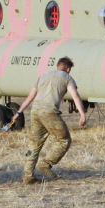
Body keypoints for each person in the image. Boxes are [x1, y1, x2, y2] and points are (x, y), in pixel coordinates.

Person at [13, 56, 87, 185]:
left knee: (34, 145)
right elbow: (75, 96)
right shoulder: (67, 78)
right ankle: (45, 165)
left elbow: (31, 96)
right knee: (64, 140)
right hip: (49, 112)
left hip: (35, 112)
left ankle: (28, 176)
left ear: (58, 65)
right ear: (68, 69)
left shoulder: (43, 76)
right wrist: (82, 114)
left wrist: (19, 112)